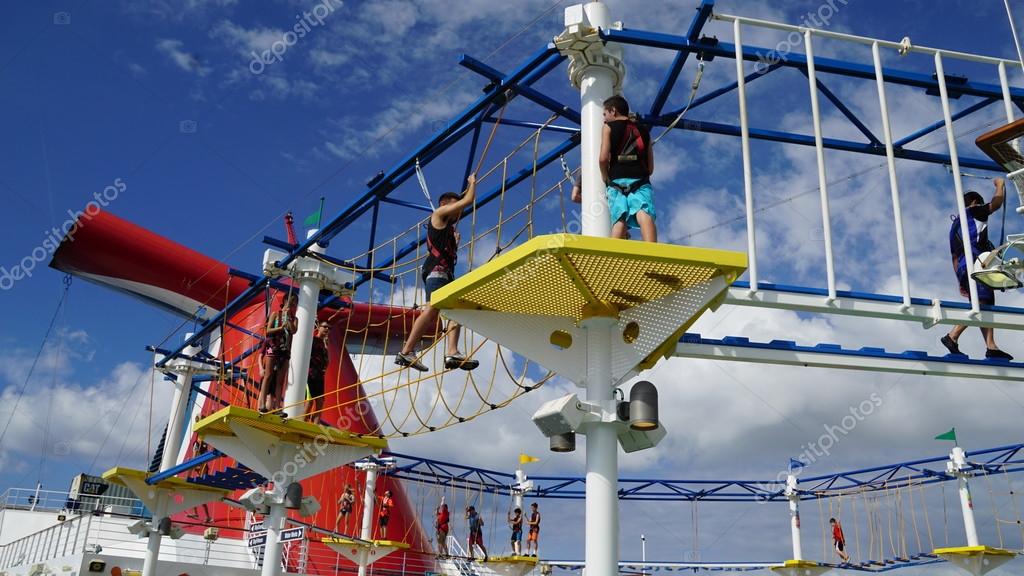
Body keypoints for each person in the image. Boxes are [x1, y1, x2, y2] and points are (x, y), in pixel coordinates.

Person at [395, 174, 481, 373]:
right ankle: (407, 351)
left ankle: (452, 352)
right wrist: (472, 184)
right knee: (432, 310)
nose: (457, 210)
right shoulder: (438, 214)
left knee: (456, 311)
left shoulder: (448, 230)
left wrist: (454, 243)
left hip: (444, 274)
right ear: (444, 204)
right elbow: (469, 201)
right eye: (454, 205)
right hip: (437, 272)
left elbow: (444, 250)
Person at [941, 178, 1013, 360]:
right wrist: (999, 186)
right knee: (981, 303)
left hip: (965, 267)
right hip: (976, 264)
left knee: (986, 302)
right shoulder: (973, 211)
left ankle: (991, 346)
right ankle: (952, 335)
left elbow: (954, 257)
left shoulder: (955, 225)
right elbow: (995, 204)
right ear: (974, 203)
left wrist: (960, 280)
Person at [599, 96, 656, 242]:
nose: (604, 119)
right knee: (644, 212)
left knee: (619, 217)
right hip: (641, 180)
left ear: (613, 110)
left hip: (616, 179)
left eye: (605, 114)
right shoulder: (644, 130)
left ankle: (614, 256)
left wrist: (605, 177)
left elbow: (603, 158)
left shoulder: (607, 128)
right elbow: (650, 168)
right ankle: (653, 251)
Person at [258, 292, 298, 413]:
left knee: (280, 379)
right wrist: (280, 328)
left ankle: (277, 406)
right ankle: (261, 404)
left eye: (294, 304)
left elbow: (294, 330)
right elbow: (268, 330)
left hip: (284, 350)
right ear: (285, 302)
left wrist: (289, 318)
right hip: (273, 346)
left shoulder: (294, 319)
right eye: (290, 302)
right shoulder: (276, 314)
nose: (292, 305)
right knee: (268, 375)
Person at [305, 320, 330, 423]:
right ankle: (302, 421)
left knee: (320, 402)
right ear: (319, 328)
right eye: (325, 327)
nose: (327, 329)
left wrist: (326, 346)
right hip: (310, 373)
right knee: (310, 400)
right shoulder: (313, 340)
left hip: (320, 374)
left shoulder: (324, 345)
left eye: (328, 328)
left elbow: (327, 362)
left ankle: (315, 424)